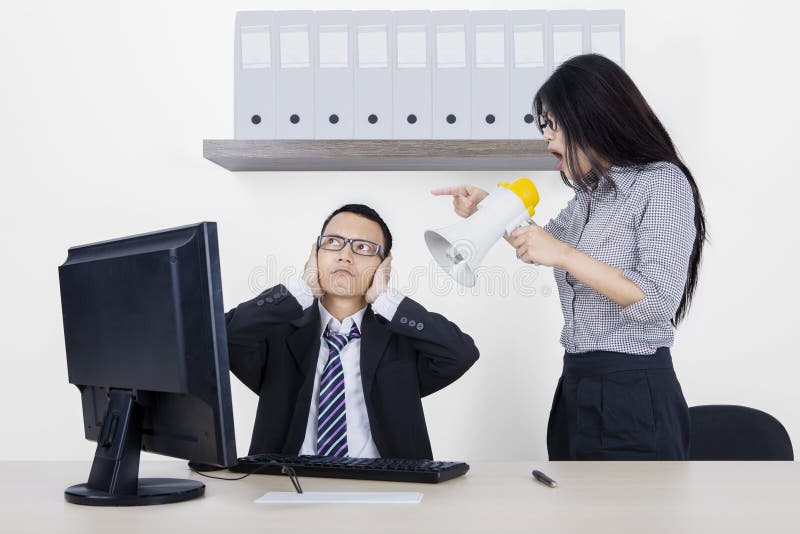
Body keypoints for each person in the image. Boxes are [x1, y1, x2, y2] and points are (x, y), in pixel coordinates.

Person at [432, 54, 706, 460]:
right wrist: (488, 209)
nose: (547, 139)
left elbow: (657, 300)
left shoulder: (661, 182)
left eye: (554, 126)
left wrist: (563, 253)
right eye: (544, 126)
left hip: (633, 389)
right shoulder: (587, 199)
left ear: (593, 118)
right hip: (576, 382)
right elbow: (536, 243)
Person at [225, 204, 479, 459]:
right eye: (333, 242)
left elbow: (460, 354)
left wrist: (385, 300)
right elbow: (221, 338)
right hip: (288, 485)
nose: (345, 255)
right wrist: (301, 289)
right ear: (315, 253)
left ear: (385, 264)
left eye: (363, 247)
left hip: (387, 488)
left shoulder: (402, 337)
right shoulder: (277, 332)